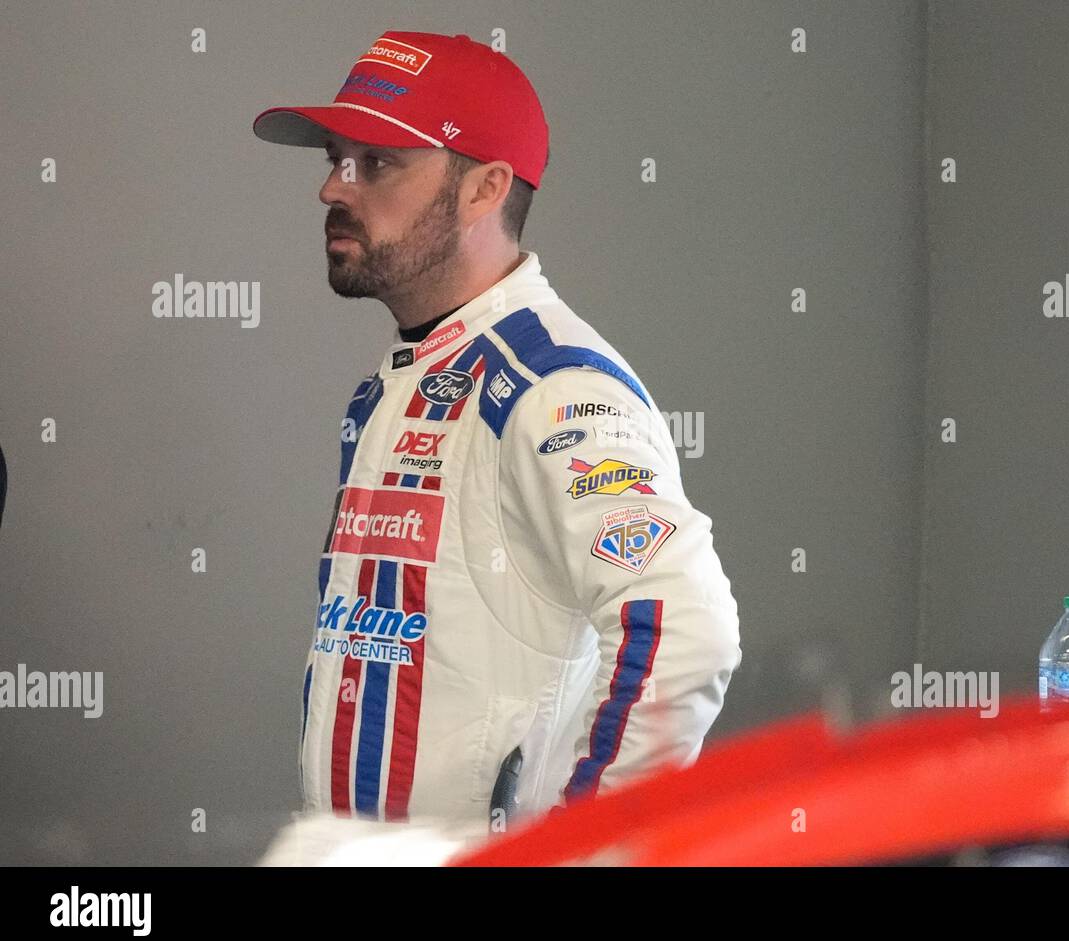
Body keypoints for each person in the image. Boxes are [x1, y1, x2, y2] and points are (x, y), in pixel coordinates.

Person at [252, 31, 741, 841]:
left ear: (486, 189)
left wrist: (587, 854)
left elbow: (684, 626)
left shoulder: (556, 391)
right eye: (336, 158)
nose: (333, 189)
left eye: (376, 163)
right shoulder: (401, 379)